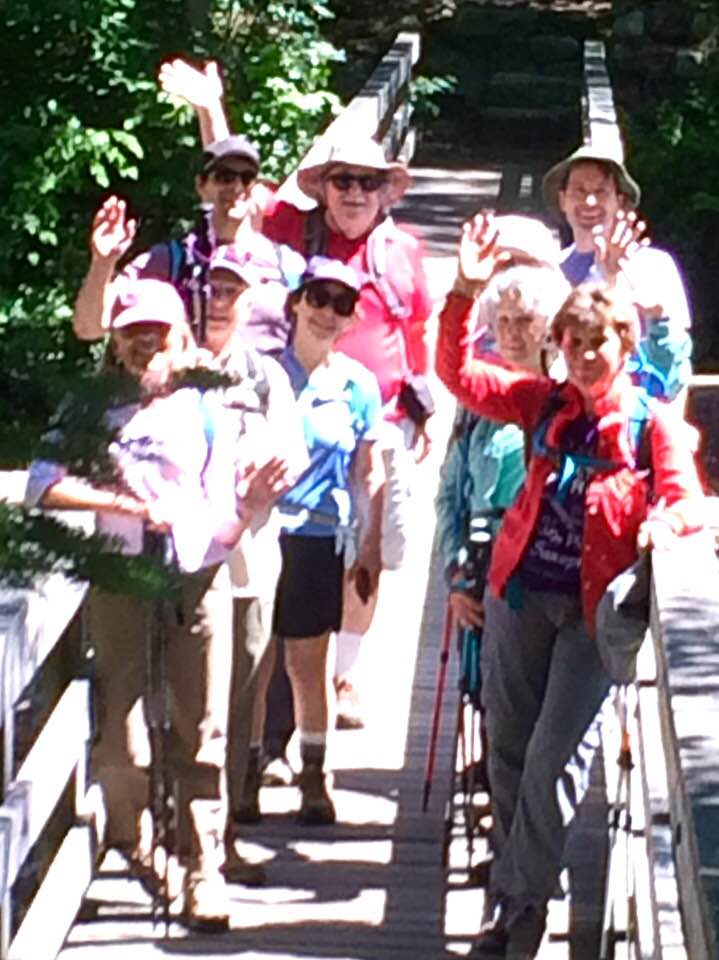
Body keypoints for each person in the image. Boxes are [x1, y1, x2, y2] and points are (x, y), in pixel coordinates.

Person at [436, 219, 704, 958]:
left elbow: (685, 500)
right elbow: (460, 376)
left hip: (591, 616)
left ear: (624, 345)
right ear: (559, 345)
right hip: (519, 597)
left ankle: (521, 915)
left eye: (599, 342)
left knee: (554, 762)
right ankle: (514, 902)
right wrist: (462, 290)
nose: (586, 355)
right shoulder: (543, 402)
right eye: (574, 342)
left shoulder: (650, 424)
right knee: (508, 755)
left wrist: (662, 523)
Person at [159, 58, 434, 729]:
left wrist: (422, 403)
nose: (355, 192)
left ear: (385, 191)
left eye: (368, 182)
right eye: (343, 180)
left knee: (369, 548)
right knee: (298, 534)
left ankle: (345, 673)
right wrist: (210, 108)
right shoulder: (294, 230)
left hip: (381, 414)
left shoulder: (404, 250)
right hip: (297, 405)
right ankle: (280, 681)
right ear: (324, 188)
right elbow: (233, 193)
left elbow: (417, 327)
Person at [25, 279, 279, 931]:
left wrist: (246, 506)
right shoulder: (90, 408)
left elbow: (232, 510)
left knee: (203, 730)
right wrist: (124, 504)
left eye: (157, 334)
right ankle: (135, 840)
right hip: (121, 575)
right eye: (132, 333)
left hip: (196, 576)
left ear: (181, 337)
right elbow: (42, 484)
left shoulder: (211, 405)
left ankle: (203, 870)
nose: (145, 345)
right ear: (114, 340)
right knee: (120, 733)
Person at [241, 257, 384, 826]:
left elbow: (368, 471)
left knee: (308, 663)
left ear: (351, 319)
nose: (327, 312)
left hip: (319, 535)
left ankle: (314, 777)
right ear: (297, 303)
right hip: (261, 530)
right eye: (318, 299)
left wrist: (370, 547)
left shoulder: (357, 385)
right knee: (255, 662)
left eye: (341, 304)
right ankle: (246, 774)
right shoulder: (260, 375)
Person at [435, 224, 570, 808]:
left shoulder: (569, 399)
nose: (513, 333)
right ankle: (503, 801)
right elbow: (450, 494)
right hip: (485, 560)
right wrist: (454, 572)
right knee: (491, 690)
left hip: (550, 566)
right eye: (504, 321)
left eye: (526, 321)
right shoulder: (479, 406)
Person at [196, 242, 308, 881]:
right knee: (183, 703)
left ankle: (224, 834)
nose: (218, 302)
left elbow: (292, 458)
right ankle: (182, 838)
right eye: (210, 288)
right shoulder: (170, 367)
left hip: (250, 563)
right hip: (183, 564)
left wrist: (263, 480)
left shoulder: (266, 378)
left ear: (248, 302)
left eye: (230, 291)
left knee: (240, 702)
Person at [72, 134, 297, 351]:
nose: (237, 187)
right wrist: (103, 263)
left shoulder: (285, 265)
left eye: (247, 178)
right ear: (201, 185)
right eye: (225, 177)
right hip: (191, 375)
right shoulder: (170, 261)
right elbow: (89, 328)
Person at [542, 144, 692, 402]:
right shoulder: (548, 271)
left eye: (601, 192)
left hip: (634, 413)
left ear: (619, 202)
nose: (590, 202)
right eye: (579, 191)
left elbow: (678, 368)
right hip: (565, 412)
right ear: (563, 200)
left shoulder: (656, 267)